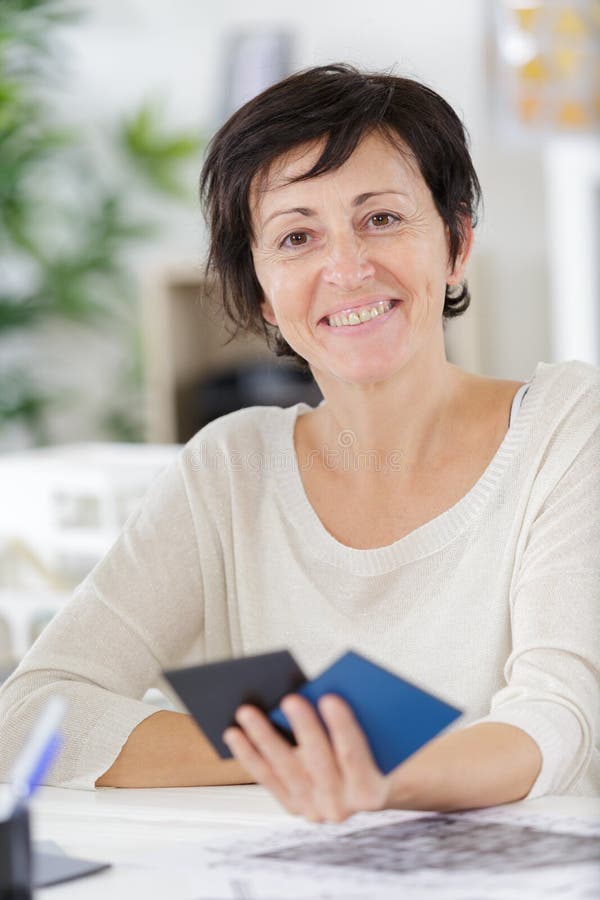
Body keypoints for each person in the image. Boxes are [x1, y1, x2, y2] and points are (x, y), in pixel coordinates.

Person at [0, 64, 598, 824]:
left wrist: (376, 780)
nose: (347, 268)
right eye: (297, 236)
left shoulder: (566, 428)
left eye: (381, 219)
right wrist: (292, 755)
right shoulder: (229, 468)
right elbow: (32, 712)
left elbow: (555, 720)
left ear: (454, 244)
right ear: (260, 296)